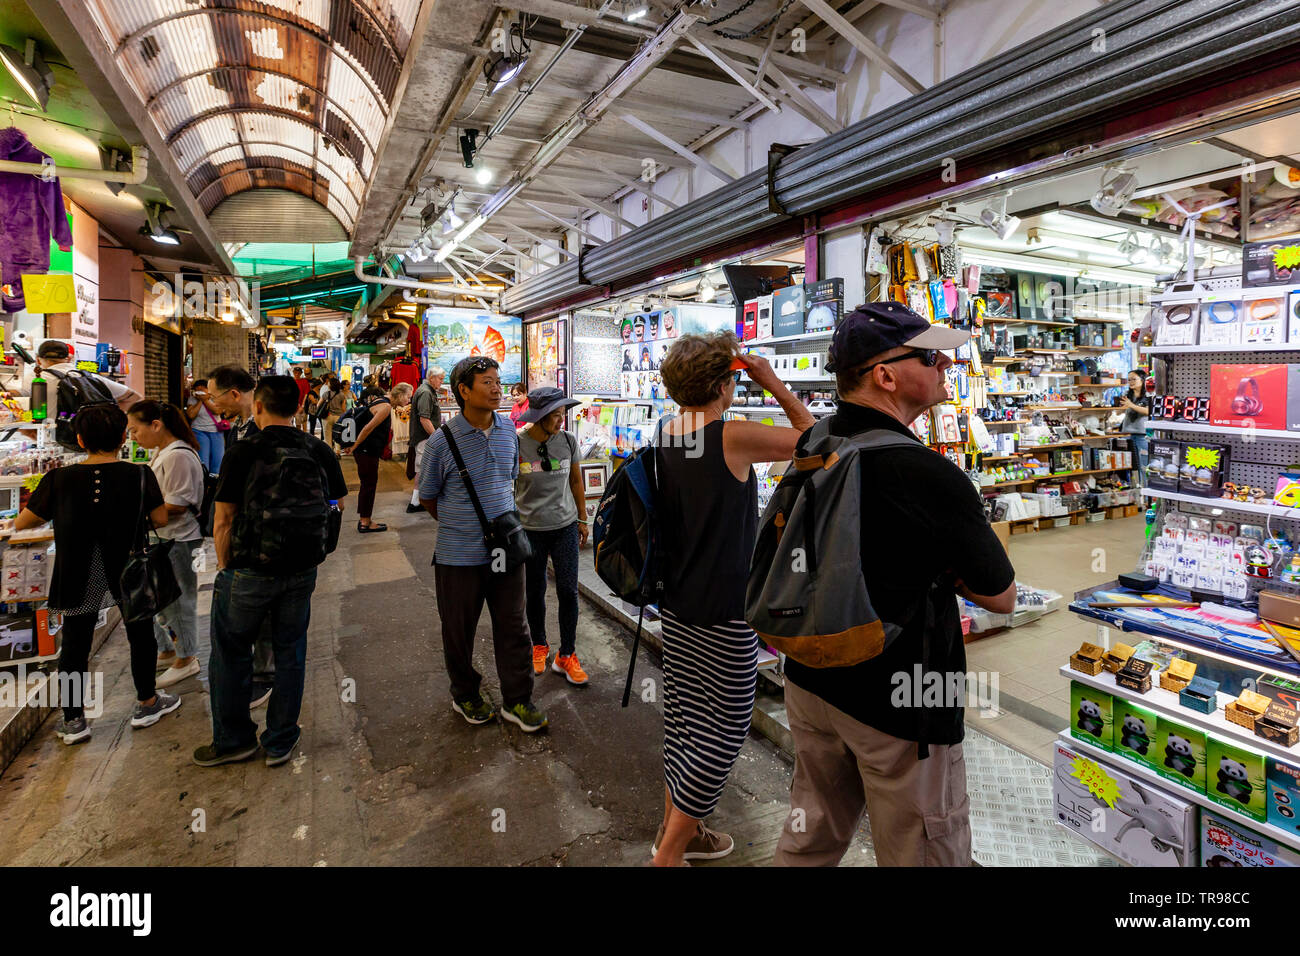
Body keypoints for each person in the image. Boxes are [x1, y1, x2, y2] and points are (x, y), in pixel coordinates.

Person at [771, 303, 1017, 868]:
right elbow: (1001, 596)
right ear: (885, 375)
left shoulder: (817, 442)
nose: (945, 367)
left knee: (810, 835)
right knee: (923, 849)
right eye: (931, 357)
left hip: (812, 678)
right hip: (903, 702)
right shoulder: (929, 475)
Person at [651, 332, 815, 866]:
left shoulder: (668, 431)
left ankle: (683, 832)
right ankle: (668, 855)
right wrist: (772, 382)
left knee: (684, 719)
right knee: (723, 728)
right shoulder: (732, 436)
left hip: (676, 605)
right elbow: (817, 440)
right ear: (725, 383)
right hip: (725, 608)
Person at [194, 375, 348, 767]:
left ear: (258, 406)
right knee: (291, 653)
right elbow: (338, 505)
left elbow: (223, 519)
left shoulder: (243, 451)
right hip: (301, 571)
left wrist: (227, 568)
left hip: (247, 570)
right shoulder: (318, 449)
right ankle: (280, 739)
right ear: (298, 408)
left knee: (230, 656)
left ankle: (233, 741)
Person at [14, 405, 181, 744]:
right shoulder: (140, 474)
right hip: (128, 569)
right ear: (123, 438)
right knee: (140, 632)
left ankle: (74, 720)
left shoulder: (59, 478)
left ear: (79, 440)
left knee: (75, 642)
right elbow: (161, 519)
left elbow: (24, 522)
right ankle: (147, 702)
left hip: (79, 571)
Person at [419, 356, 546, 733]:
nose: (497, 389)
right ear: (463, 391)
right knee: (459, 630)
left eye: (498, 381)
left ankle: (517, 700)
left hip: (504, 551)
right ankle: (465, 694)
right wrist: (462, 526)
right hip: (458, 556)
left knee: (514, 625)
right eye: (487, 383)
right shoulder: (442, 441)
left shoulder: (509, 430)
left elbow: (507, 483)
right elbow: (428, 496)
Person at [206, 364, 276, 709]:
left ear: (235, 394)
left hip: (262, 536)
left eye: (214, 396)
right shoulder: (238, 429)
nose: (212, 404)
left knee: (262, 611)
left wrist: (223, 552)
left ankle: (266, 675)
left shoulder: (261, 432)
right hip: (250, 533)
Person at [127, 400, 206, 689]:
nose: (133, 437)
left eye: (135, 430)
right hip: (165, 539)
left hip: (180, 539)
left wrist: (137, 515)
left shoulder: (178, 456)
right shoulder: (164, 453)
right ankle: (170, 649)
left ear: (156, 425)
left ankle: (186, 657)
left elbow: (178, 504)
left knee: (179, 600)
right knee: (163, 600)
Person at [516, 387, 588, 685]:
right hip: (530, 530)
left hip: (565, 527)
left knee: (568, 591)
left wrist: (583, 519)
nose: (561, 421)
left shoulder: (568, 440)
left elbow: (575, 480)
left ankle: (567, 654)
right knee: (534, 592)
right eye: (555, 416)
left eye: (563, 415)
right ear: (540, 416)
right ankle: (539, 645)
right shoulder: (516, 443)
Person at [343, 381, 412, 533]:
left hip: (365, 450)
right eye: (407, 397)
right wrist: (354, 446)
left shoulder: (381, 400)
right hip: (366, 450)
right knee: (369, 485)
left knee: (367, 484)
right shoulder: (386, 407)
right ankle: (365, 522)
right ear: (399, 395)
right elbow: (368, 428)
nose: (408, 401)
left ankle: (365, 519)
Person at [34, 339, 140, 420]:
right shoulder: (92, 378)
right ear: (69, 358)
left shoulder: (35, 379)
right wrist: (106, 416)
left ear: (38, 360)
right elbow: (134, 398)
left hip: (50, 440)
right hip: (90, 440)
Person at [407, 366, 445, 514]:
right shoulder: (425, 392)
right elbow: (424, 419)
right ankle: (415, 502)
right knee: (421, 468)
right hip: (424, 438)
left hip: (426, 437)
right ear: (432, 378)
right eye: (440, 379)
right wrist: (438, 437)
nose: (441, 382)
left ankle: (419, 499)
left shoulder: (427, 391)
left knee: (423, 468)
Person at [1117, 369, 1151, 475]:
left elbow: (1148, 411)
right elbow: (1119, 412)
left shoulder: (1149, 395)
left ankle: (1145, 489)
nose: (1131, 382)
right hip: (1128, 434)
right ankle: (1136, 488)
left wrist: (1131, 405)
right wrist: (1120, 407)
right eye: (1129, 379)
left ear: (1142, 380)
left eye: (1134, 379)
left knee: (1144, 466)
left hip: (1143, 435)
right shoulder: (1127, 395)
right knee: (1131, 467)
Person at [323, 375, 352, 455]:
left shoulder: (326, 394)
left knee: (327, 435)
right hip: (338, 417)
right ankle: (337, 452)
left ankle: (329, 452)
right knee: (338, 435)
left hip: (327, 416)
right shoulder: (341, 395)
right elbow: (343, 408)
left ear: (331, 385)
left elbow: (319, 405)